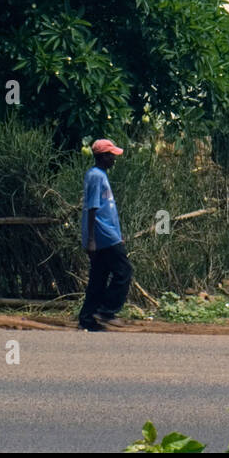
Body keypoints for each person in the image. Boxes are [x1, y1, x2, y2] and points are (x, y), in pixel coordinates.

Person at [78, 138, 132, 332]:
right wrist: (91, 239)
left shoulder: (99, 175)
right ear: (103, 157)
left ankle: (87, 318)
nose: (114, 160)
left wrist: (118, 234)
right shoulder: (96, 176)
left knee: (99, 277)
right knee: (124, 271)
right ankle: (107, 310)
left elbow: (106, 209)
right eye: (111, 156)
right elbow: (92, 208)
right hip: (103, 236)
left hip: (108, 234)